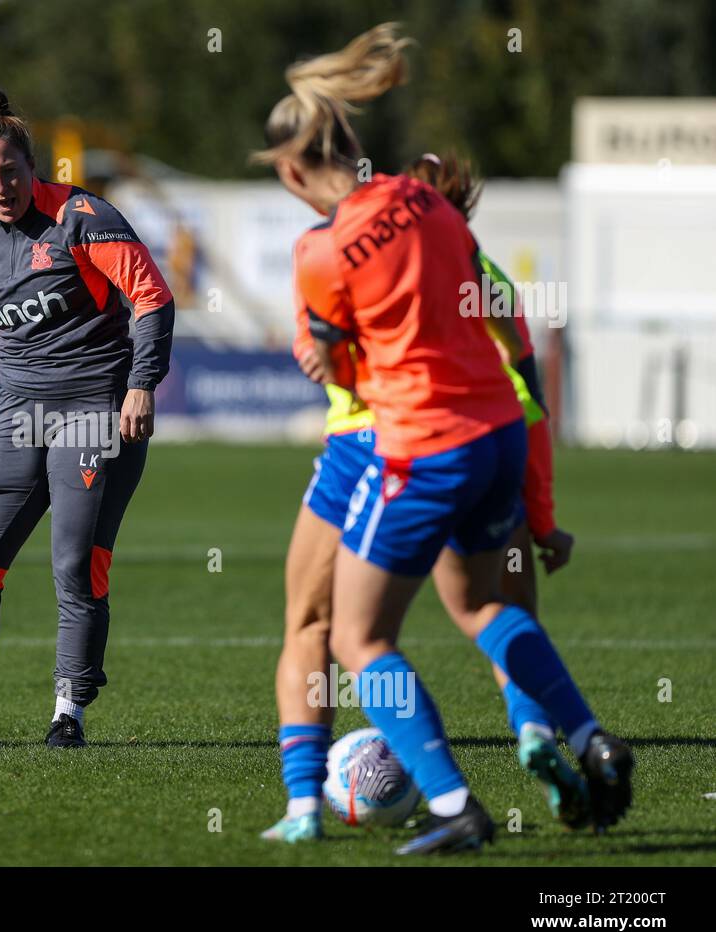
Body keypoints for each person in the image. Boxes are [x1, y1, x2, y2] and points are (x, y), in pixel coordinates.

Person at [259, 22, 632, 854]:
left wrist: (324, 355)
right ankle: (587, 738)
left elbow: (350, 372)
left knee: (355, 636)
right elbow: (485, 318)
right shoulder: (425, 202)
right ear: (356, 143)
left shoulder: (319, 251)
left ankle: (455, 803)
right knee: (486, 606)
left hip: (419, 441)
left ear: (292, 171)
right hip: (499, 431)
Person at [0, 88, 175, 748]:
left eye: (9, 171)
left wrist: (141, 386)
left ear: (31, 167)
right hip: (15, 415)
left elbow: (151, 297)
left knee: (73, 565)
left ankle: (69, 710)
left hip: (94, 413)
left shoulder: (83, 216)